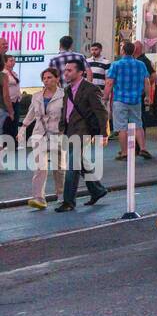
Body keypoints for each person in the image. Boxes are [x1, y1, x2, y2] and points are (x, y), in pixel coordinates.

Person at [55, 58, 109, 212]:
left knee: (72, 167)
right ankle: (98, 190)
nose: (66, 73)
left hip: (83, 132)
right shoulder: (67, 90)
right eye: (65, 70)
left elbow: (101, 112)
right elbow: (65, 110)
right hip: (69, 131)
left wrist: (103, 134)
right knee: (81, 163)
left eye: (69, 70)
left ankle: (68, 202)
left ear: (80, 73)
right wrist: (61, 126)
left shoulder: (90, 89)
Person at [23, 68, 65, 209]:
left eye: (49, 77)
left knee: (59, 167)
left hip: (57, 134)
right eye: (44, 78)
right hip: (39, 134)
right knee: (40, 167)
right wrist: (23, 128)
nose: (46, 80)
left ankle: (61, 195)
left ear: (57, 79)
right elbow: (30, 113)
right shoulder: (37, 96)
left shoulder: (64, 95)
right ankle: (39, 198)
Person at [105, 40, 152, 160]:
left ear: (123, 51)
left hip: (120, 99)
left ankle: (125, 152)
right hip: (136, 99)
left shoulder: (116, 65)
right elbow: (147, 82)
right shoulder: (141, 64)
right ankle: (142, 148)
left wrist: (105, 97)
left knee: (122, 127)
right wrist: (148, 96)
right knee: (138, 124)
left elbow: (110, 83)